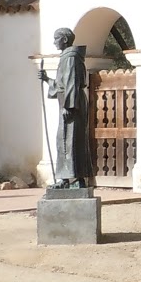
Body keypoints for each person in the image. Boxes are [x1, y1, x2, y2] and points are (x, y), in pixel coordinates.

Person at [43, 27, 92, 188]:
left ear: (64, 39)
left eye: (56, 38)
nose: (54, 42)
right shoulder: (67, 57)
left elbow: (72, 82)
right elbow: (62, 83)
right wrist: (47, 79)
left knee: (71, 140)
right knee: (64, 140)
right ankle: (66, 178)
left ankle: (75, 179)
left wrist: (69, 106)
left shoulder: (71, 57)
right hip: (68, 102)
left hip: (72, 104)